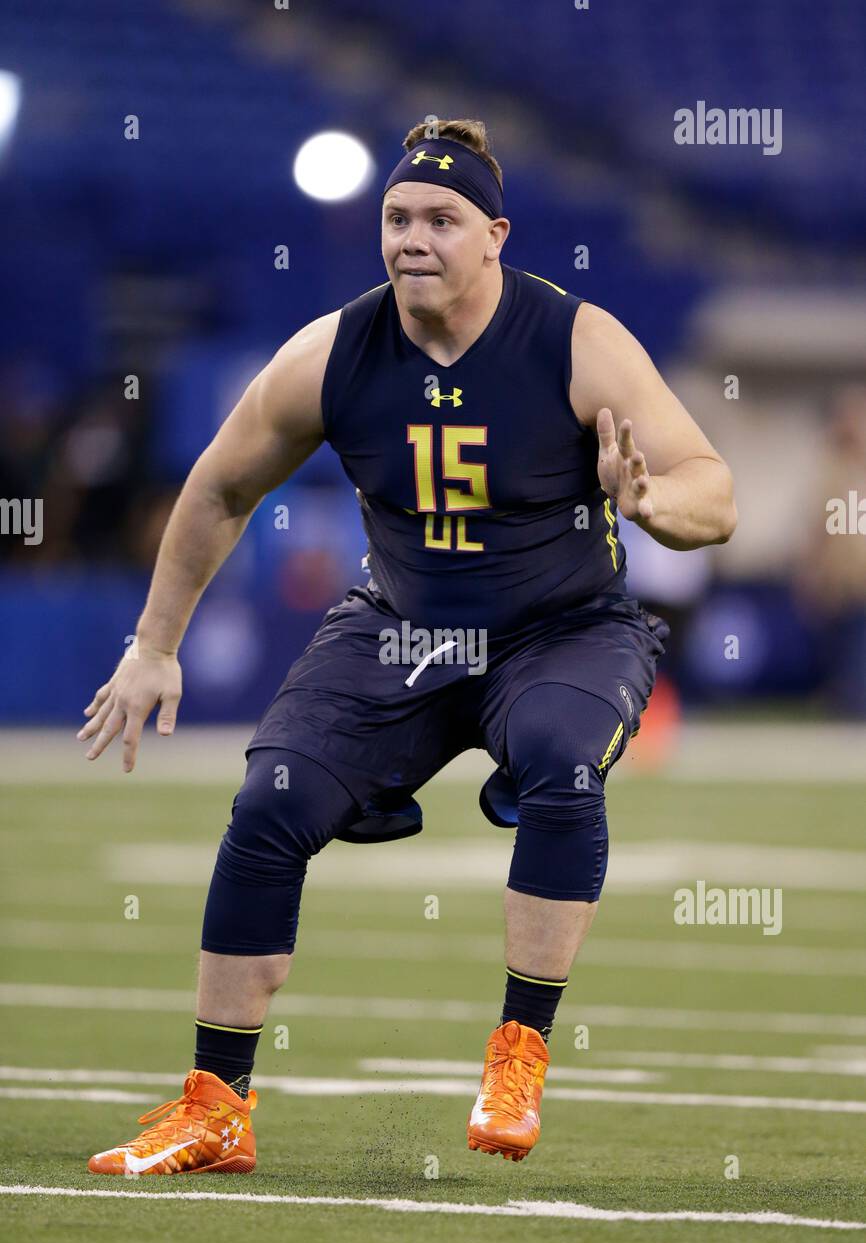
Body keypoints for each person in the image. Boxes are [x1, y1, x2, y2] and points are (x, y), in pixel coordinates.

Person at [79, 118, 736, 1174]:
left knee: (565, 763)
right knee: (268, 801)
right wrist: (154, 644)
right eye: (397, 218)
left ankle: (516, 1053)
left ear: (494, 235)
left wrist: (651, 498)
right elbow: (218, 484)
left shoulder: (573, 339)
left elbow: (714, 492)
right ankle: (214, 1103)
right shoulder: (334, 350)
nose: (413, 238)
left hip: (560, 628)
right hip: (401, 626)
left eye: (442, 218)